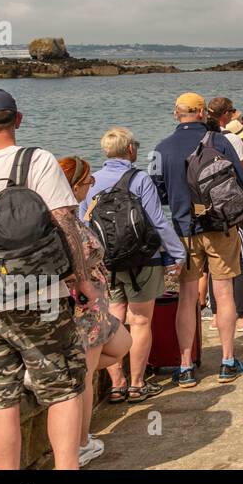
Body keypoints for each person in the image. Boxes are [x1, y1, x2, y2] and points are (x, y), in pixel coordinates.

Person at [0, 89, 97, 470]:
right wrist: (81, 280)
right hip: (41, 297)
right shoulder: (38, 160)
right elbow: (66, 221)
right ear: (17, 120)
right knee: (62, 388)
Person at [151, 92, 243, 388]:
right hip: (220, 226)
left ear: (176, 114)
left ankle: (185, 367)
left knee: (186, 299)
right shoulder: (219, 141)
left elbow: (157, 194)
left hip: (183, 231)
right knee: (222, 294)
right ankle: (227, 362)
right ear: (200, 113)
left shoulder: (161, 149)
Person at [84, 127, 185, 405]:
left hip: (107, 263)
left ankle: (117, 385)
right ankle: (137, 385)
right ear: (130, 150)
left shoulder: (91, 181)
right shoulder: (140, 178)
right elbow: (157, 221)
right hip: (144, 259)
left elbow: (84, 225)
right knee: (140, 321)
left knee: (113, 320)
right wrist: (178, 254)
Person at [60, 157, 132, 467]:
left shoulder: (72, 215)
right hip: (84, 311)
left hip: (96, 310)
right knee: (85, 378)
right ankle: (81, 443)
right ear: (75, 186)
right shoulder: (62, 220)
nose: (92, 186)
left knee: (121, 346)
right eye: (88, 183)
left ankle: (63, 378)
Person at [205, 97, 243, 334]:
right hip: (231, 210)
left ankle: (216, 314)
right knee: (241, 261)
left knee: (213, 263)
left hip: (206, 210)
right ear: (226, 115)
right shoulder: (230, 140)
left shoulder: (200, 141)